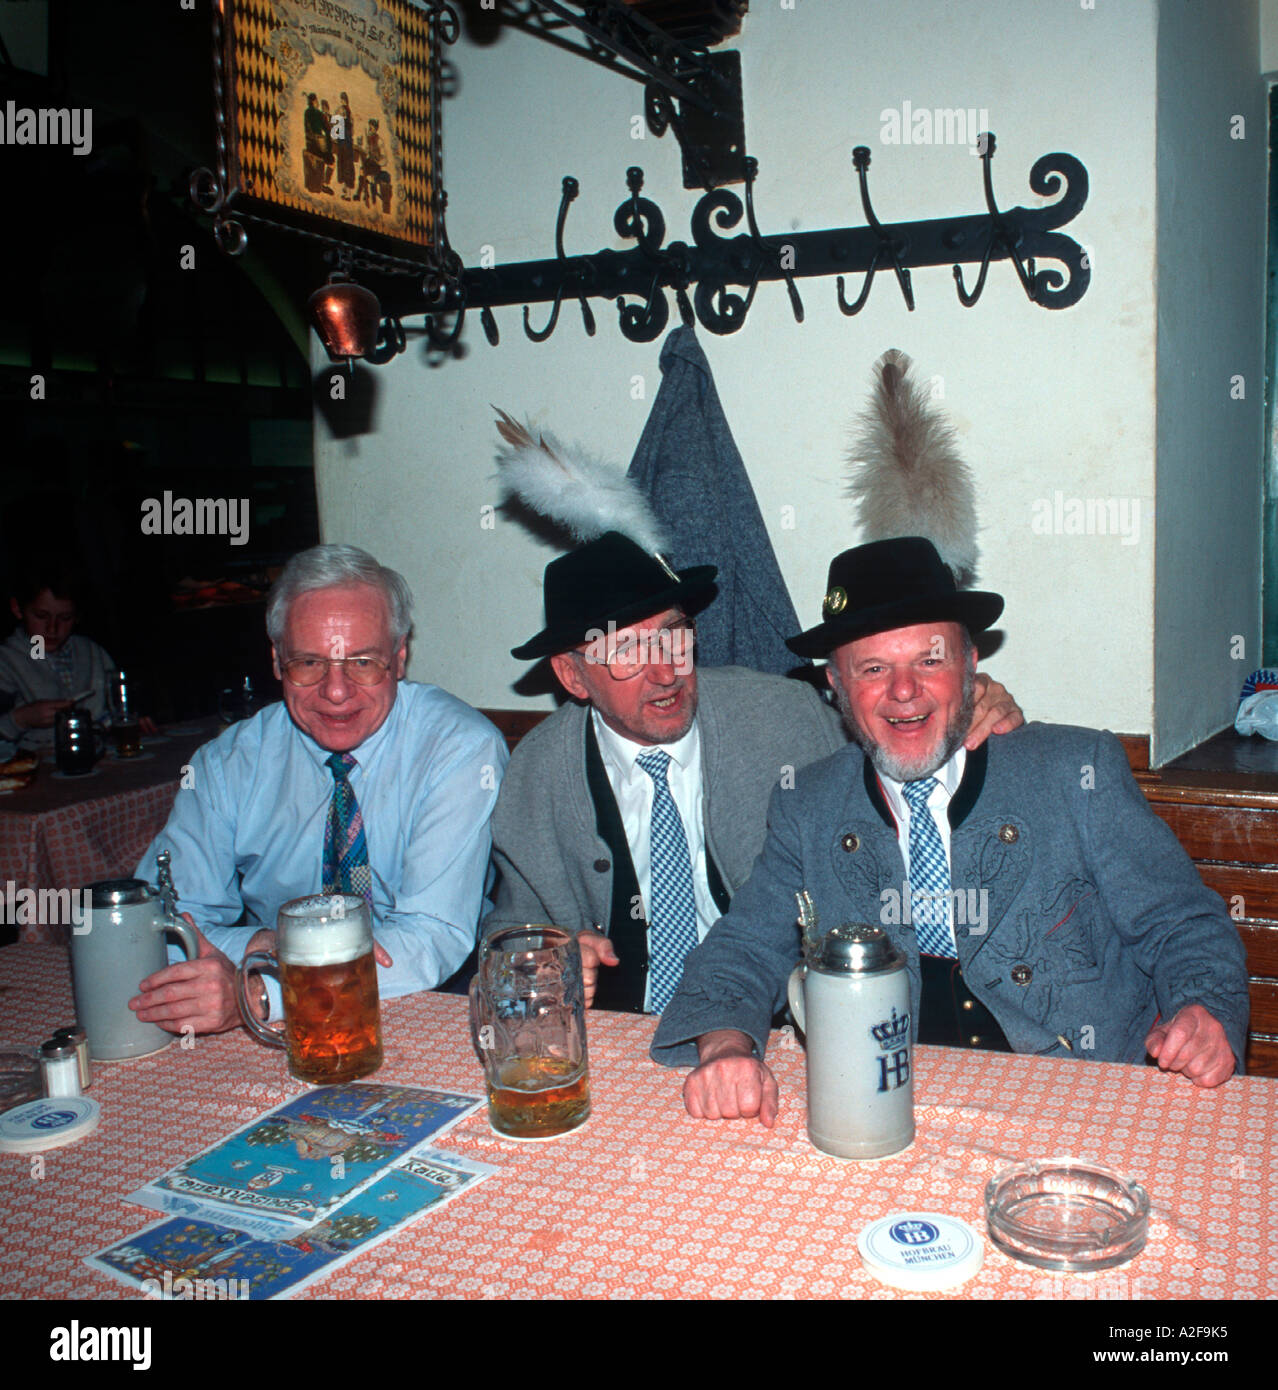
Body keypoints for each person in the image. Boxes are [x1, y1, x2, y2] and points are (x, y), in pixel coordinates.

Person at [651, 537, 1251, 1122]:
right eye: (874, 668)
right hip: (888, 1109)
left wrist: (1205, 1011)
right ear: (836, 687)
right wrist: (726, 1046)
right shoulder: (807, 804)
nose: (904, 690)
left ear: (970, 667)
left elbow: (1181, 924)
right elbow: (745, 948)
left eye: (929, 660)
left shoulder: (1074, 771)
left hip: (1086, 1108)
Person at [486, 531, 1022, 1014]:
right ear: (571, 675)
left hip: (780, 1025)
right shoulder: (537, 773)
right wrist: (540, 961)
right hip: (616, 1038)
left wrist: (975, 706)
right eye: (627, 651)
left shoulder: (783, 715)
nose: (666, 670)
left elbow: (893, 728)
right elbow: (510, 932)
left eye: (673, 634)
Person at [130, 544, 507, 1036]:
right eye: (308, 663)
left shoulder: (458, 748)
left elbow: (433, 938)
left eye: (363, 662)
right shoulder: (228, 763)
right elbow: (158, 925)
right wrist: (274, 943)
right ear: (276, 661)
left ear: (399, 656)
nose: (335, 692)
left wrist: (266, 993)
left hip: (428, 1006)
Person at [0, 566, 153, 748]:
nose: (52, 629)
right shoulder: (6, 661)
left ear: (78, 616)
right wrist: (21, 719)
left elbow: (113, 712)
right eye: (41, 616)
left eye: (65, 618)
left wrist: (133, 718)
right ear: (17, 609)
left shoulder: (92, 653)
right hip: (33, 769)